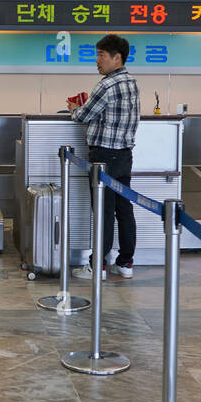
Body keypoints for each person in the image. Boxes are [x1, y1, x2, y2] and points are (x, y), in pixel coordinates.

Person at [67, 34, 140, 280]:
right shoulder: (132, 82)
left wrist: (73, 108)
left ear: (116, 57)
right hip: (124, 155)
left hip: (103, 157)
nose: (97, 60)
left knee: (103, 211)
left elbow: (82, 116)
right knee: (123, 209)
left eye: (101, 55)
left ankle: (98, 266)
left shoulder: (106, 85)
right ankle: (126, 263)